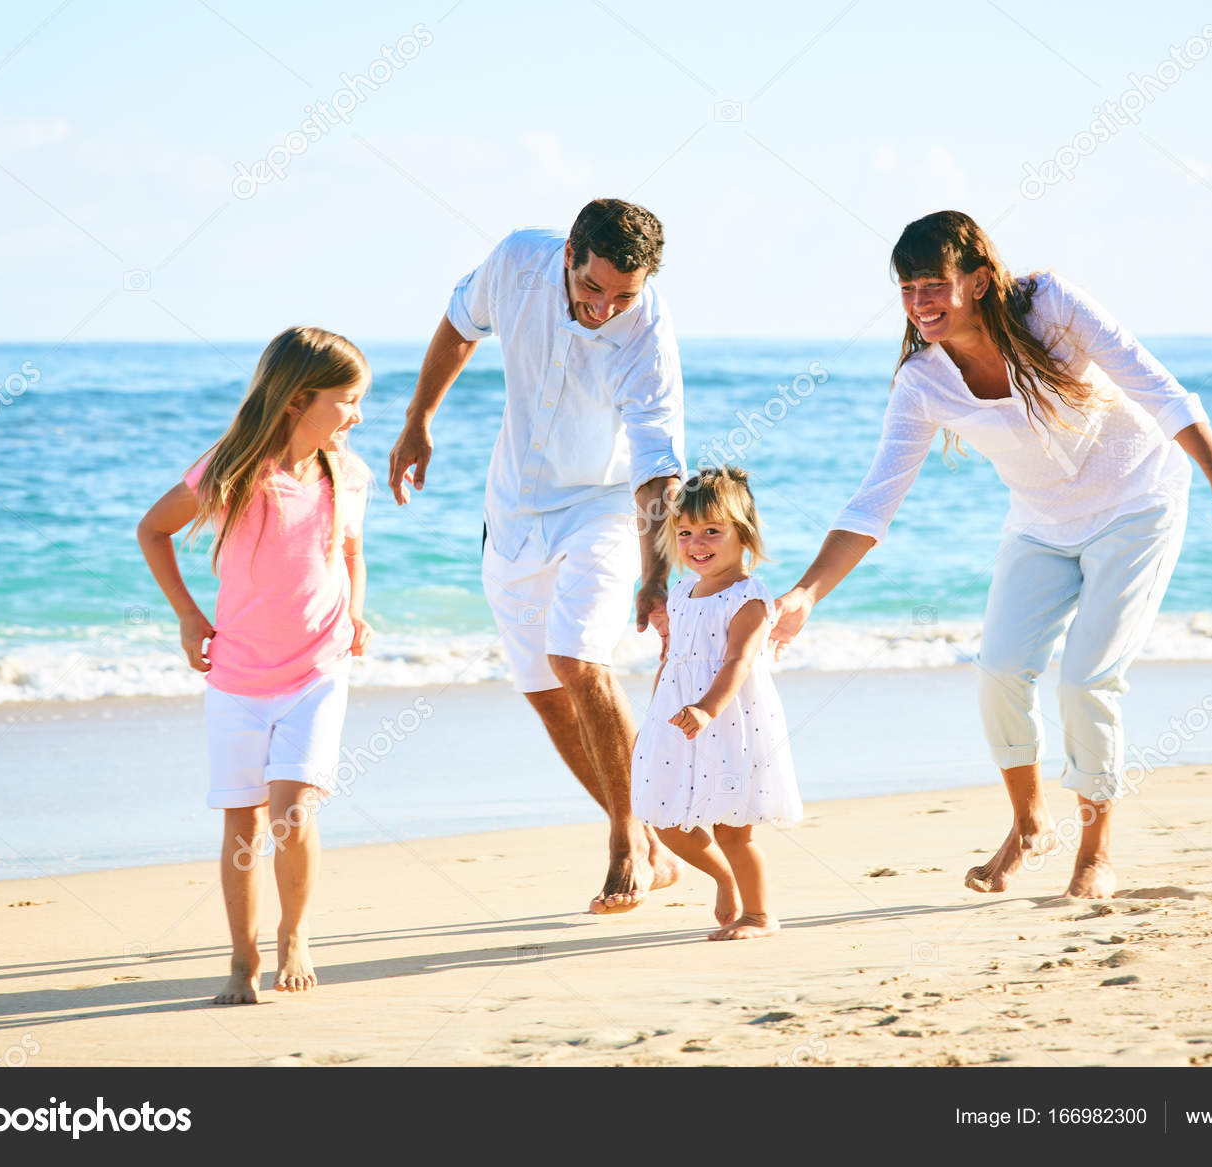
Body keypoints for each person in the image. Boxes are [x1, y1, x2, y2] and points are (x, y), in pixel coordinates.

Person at [770, 210, 1212, 900]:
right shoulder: (924, 382)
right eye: (907, 289)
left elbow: (1159, 388)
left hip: (1138, 502)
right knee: (1000, 669)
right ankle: (1029, 822)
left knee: (1086, 679)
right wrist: (805, 593)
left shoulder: (1052, 309)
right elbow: (873, 502)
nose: (919, 304)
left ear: (977, 281)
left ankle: (1094, 852)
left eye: (932, 285)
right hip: (1040, 524)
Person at [386, 198, 686, 914]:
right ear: (569, 256)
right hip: (513, 509)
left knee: (579, 657)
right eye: (593, 290)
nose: (606, 308)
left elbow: (658, 469)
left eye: (625, 295)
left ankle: (624, 844)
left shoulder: (646, 333)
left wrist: (657, 574)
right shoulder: (518, 259)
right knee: (546, 691)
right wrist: (419, 419)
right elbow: (460, 326)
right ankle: (648, 838)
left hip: (604, 505)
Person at [136, 326, 374, 1004]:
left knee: (292, 813)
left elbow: (351, 550)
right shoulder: (233, 470)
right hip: (238, 679)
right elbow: (153, 529)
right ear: (299, 398)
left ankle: (292, 935)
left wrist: (355, 610)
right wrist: (187, 614)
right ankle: (241, 959)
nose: (356, 415)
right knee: (242, 821)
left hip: (318, 671)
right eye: (348, 399)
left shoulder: (345, 473)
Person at [631, 468, 802, 940]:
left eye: (712, 531)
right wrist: (653, 715)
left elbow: (739, 662)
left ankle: (759, 913)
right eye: (685, 533)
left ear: (742, 534)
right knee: (664, 817)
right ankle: (723, 878)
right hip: (676, 716)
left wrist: (707, 708)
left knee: (732, 827)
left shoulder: (748, 597)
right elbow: (674, 659)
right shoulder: (682, 591)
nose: (696, 543)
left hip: (729, 719)